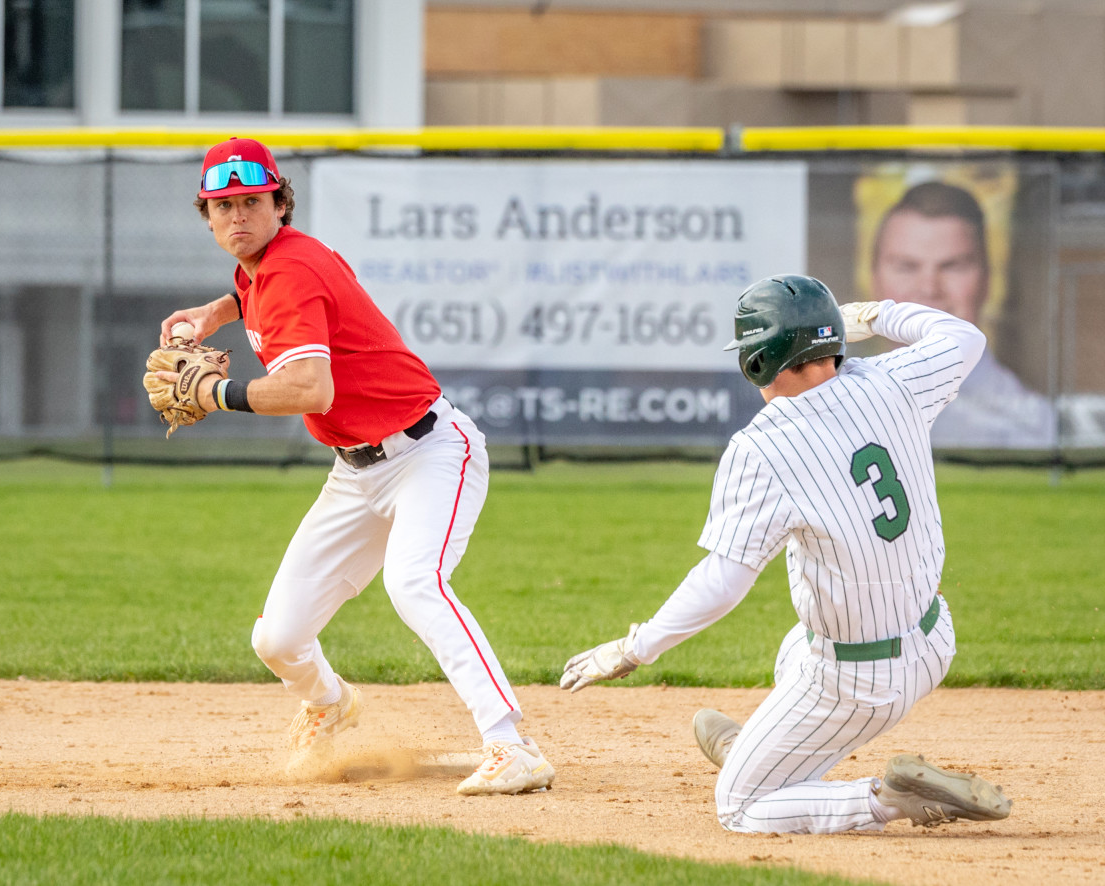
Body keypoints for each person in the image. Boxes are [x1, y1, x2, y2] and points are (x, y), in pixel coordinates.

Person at [155, 137, 553, 796]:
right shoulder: (269, 263)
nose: (237, 217)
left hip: (429, 451)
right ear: (206, 215)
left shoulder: (289, 270)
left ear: (280, 202)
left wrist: (214, 392)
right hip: (356, 471)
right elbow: (249, 288)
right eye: (221, 206)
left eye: (251, 201)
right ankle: (330, 703)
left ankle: (512, 745)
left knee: (414, 583)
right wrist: (214, 312)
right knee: (279, 638)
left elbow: (313, 390)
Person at [559, 275, 1013, 834]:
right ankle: (764, 749)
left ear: (758, 360)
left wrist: (636, 646)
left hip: (859, 682)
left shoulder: (763, 446)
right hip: (934, 638)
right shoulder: (892, 380)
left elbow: (723, 582)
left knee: (740, 808)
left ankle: (887, 798)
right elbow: (964, 337)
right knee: (795, 643)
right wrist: (875, 314)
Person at [869, 180, 1056, 448]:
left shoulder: (1034, 428)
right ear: (873, 277)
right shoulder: (826, 406)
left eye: (952, 266)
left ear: (988, 279)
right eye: (906, 266)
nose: (929, 289)